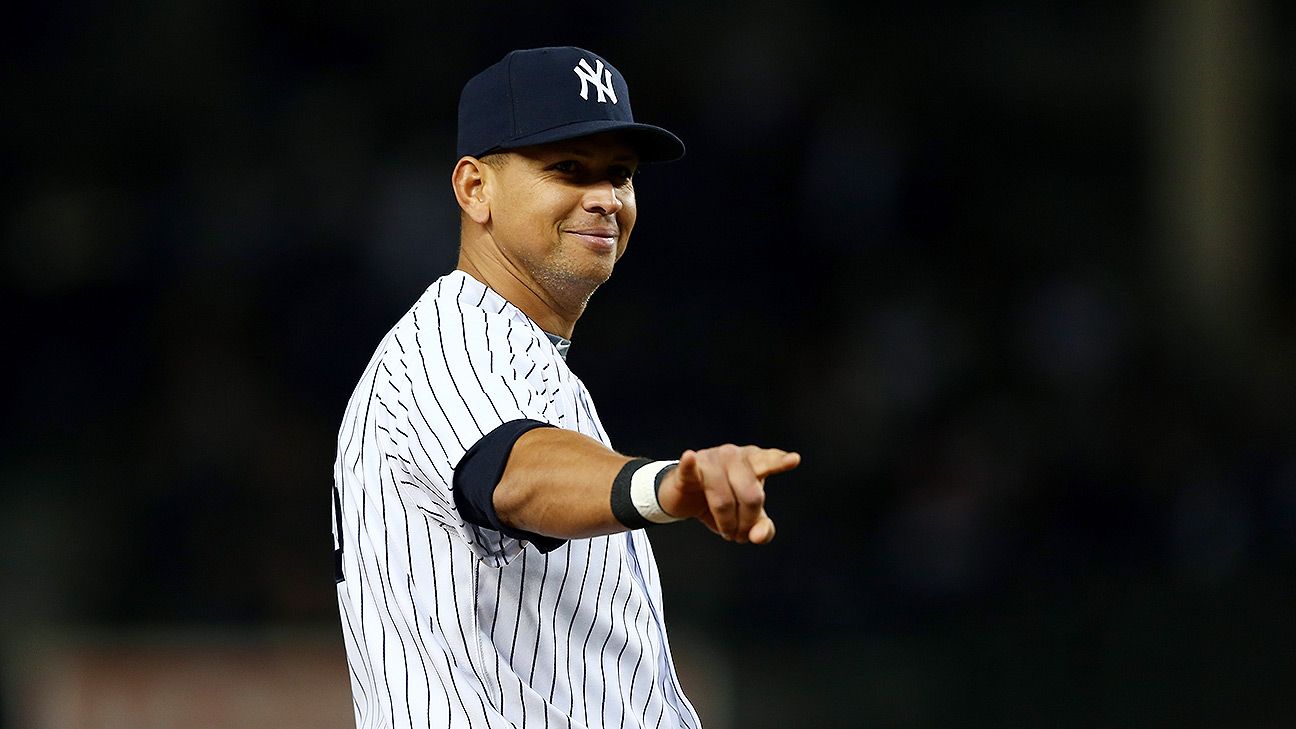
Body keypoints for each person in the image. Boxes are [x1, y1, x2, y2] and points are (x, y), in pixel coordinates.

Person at [331, 46, 800, 729]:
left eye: (621, 175)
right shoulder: (449, 339)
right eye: (568, 170)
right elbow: (516, 471)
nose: (605, 199)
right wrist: (662, 485)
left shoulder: (523, 359)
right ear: (473, 188)